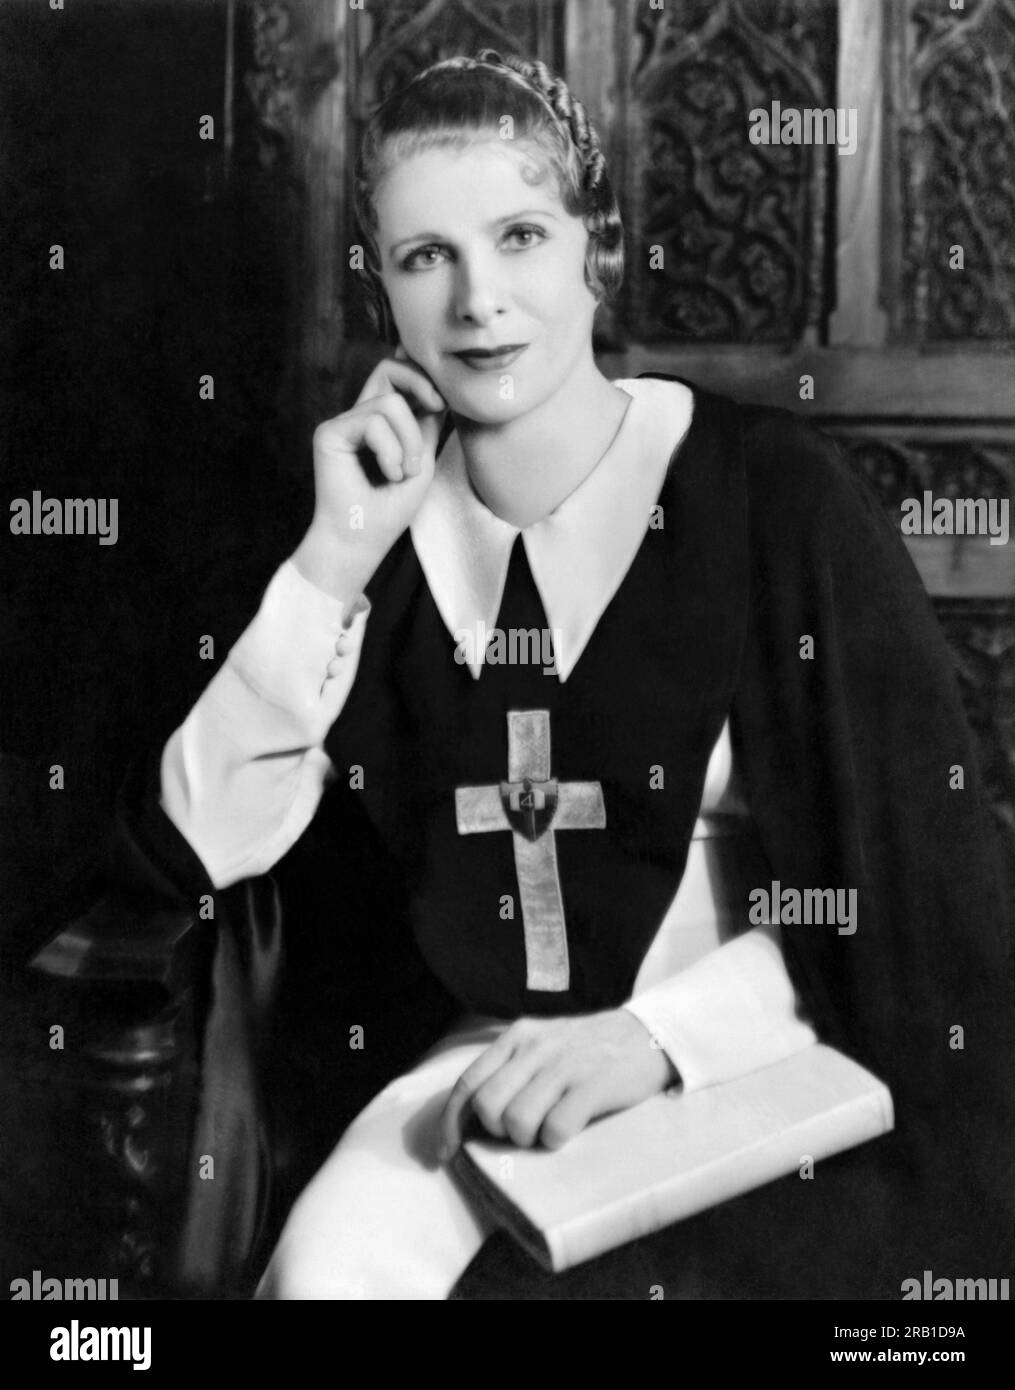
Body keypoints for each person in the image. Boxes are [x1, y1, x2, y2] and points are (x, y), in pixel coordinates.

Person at [151, 50, 1013, 1299]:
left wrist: (661, 1039)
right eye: (423, 256)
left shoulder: (770, 498)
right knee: (330, 1274)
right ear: (384, 291)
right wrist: (336, 555)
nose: (478, 302)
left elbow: (924, 912)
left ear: (595, 251)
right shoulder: (375, 534)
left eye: (518, 235)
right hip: (493, 1064)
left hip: (782, 1038)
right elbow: (195, 836)